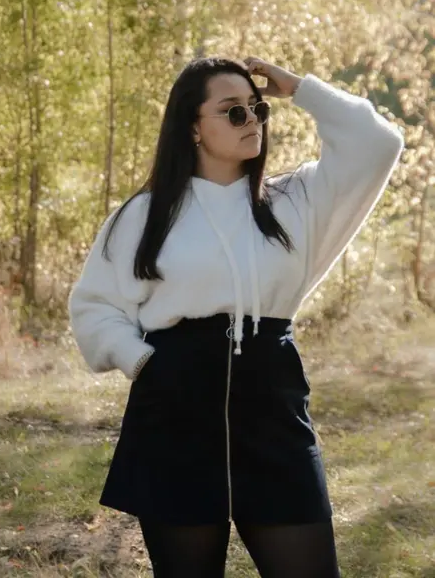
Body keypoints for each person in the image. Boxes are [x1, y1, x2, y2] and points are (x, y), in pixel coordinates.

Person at [68, 56, 404, 577]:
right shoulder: (142, 215)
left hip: (274, 415)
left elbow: (378, 143)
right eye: (233, 111)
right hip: (174, 417)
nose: (252, 121)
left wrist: (301, 89)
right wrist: (140, 360)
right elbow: (95, 305)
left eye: (257, 109)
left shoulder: (296, 199)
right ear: (192, 128)